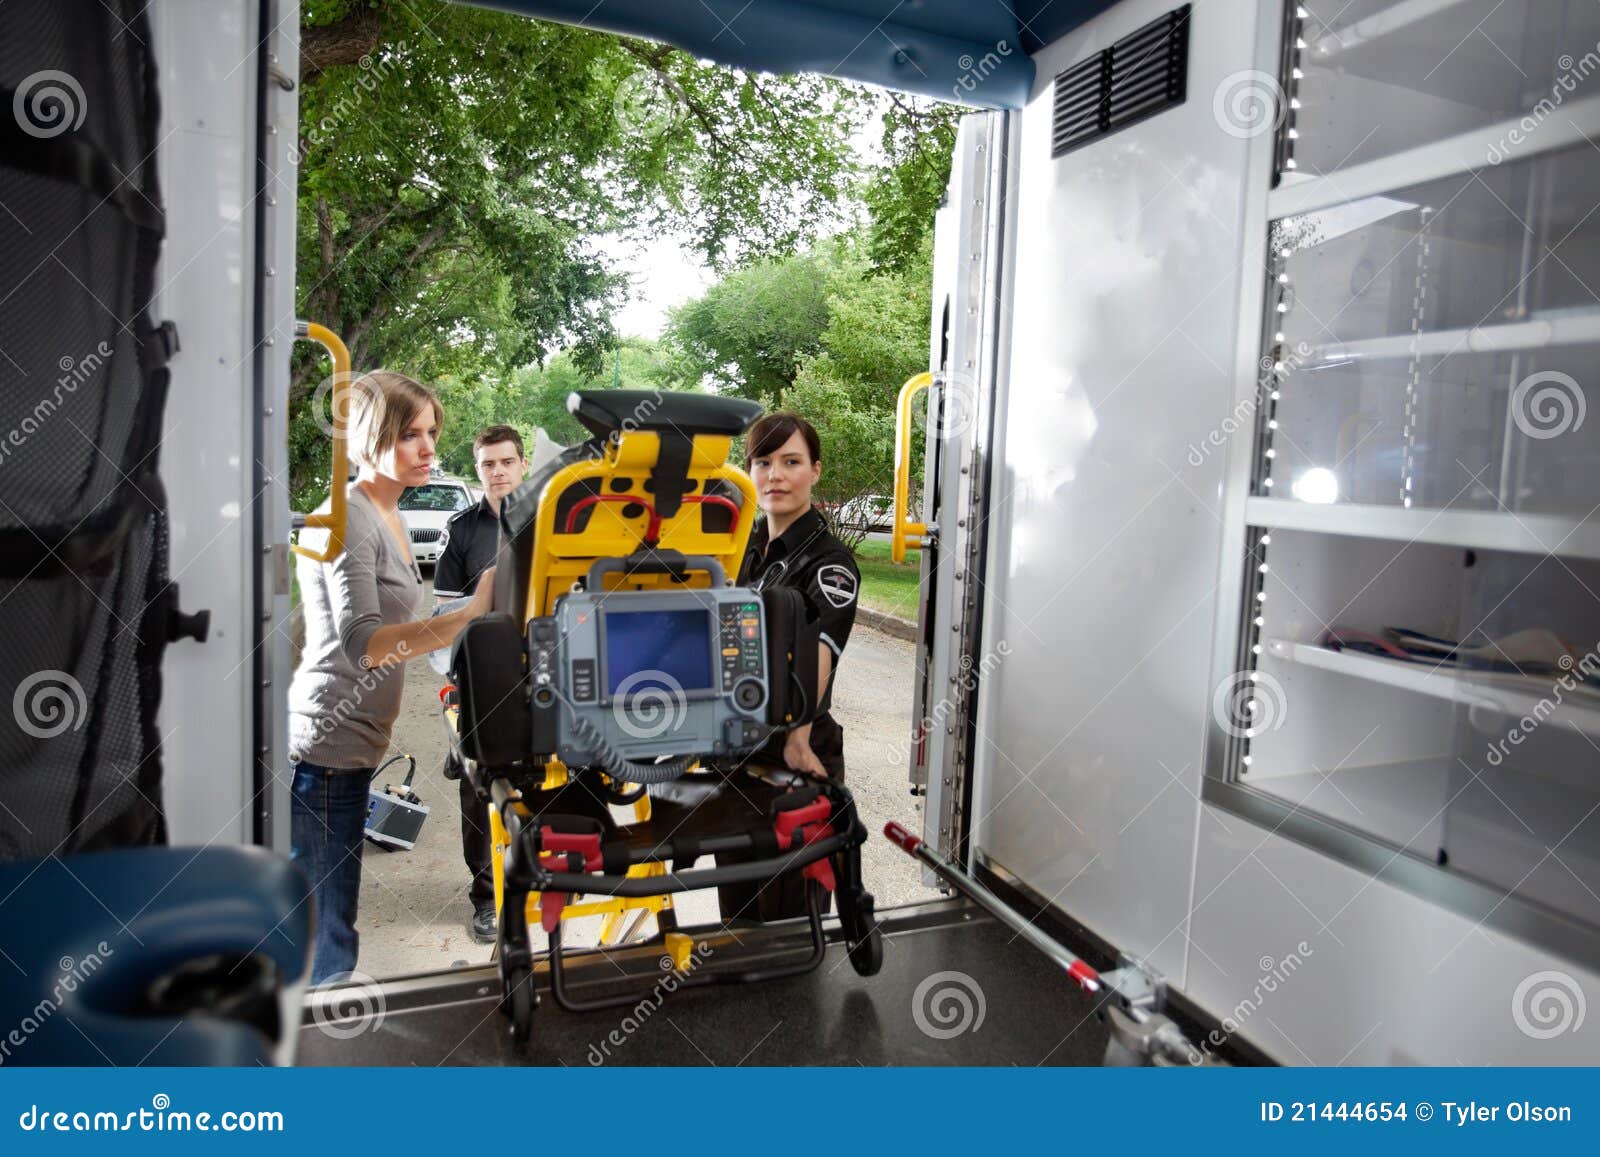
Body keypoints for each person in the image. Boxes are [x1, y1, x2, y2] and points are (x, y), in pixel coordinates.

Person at [288, 370, 495, 984]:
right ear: (370, 436)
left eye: (432, 432)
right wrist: (467, 616)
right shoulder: (346, 514)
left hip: (354, 746)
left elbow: (399, 625)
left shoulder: (389, 512)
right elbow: (364, 644)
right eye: (410, 434)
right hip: (326, 746)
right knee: (326, 939)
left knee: (328, 924)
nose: (429, 447)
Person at [434, 424, 528, 943]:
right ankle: (487, 898)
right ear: (478, 470)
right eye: (487, 464)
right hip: (478, 675)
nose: (496, 472)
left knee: (544, 775)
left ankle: (541, 874)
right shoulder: (463, 529)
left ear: (522, 463)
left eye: (505, 462)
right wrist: (449, 679)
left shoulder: (547, 522)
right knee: (480, 787)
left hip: (539, 669)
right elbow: (445, 611)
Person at [738, 412, 860, 782]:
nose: (775, 475)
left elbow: (819, 648)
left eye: (791, 462)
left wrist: (797, 738)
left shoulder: (831, 563)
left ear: (815, 471)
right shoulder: (741, 547)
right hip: (733, 742)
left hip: (791, 755)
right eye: (763, 462)